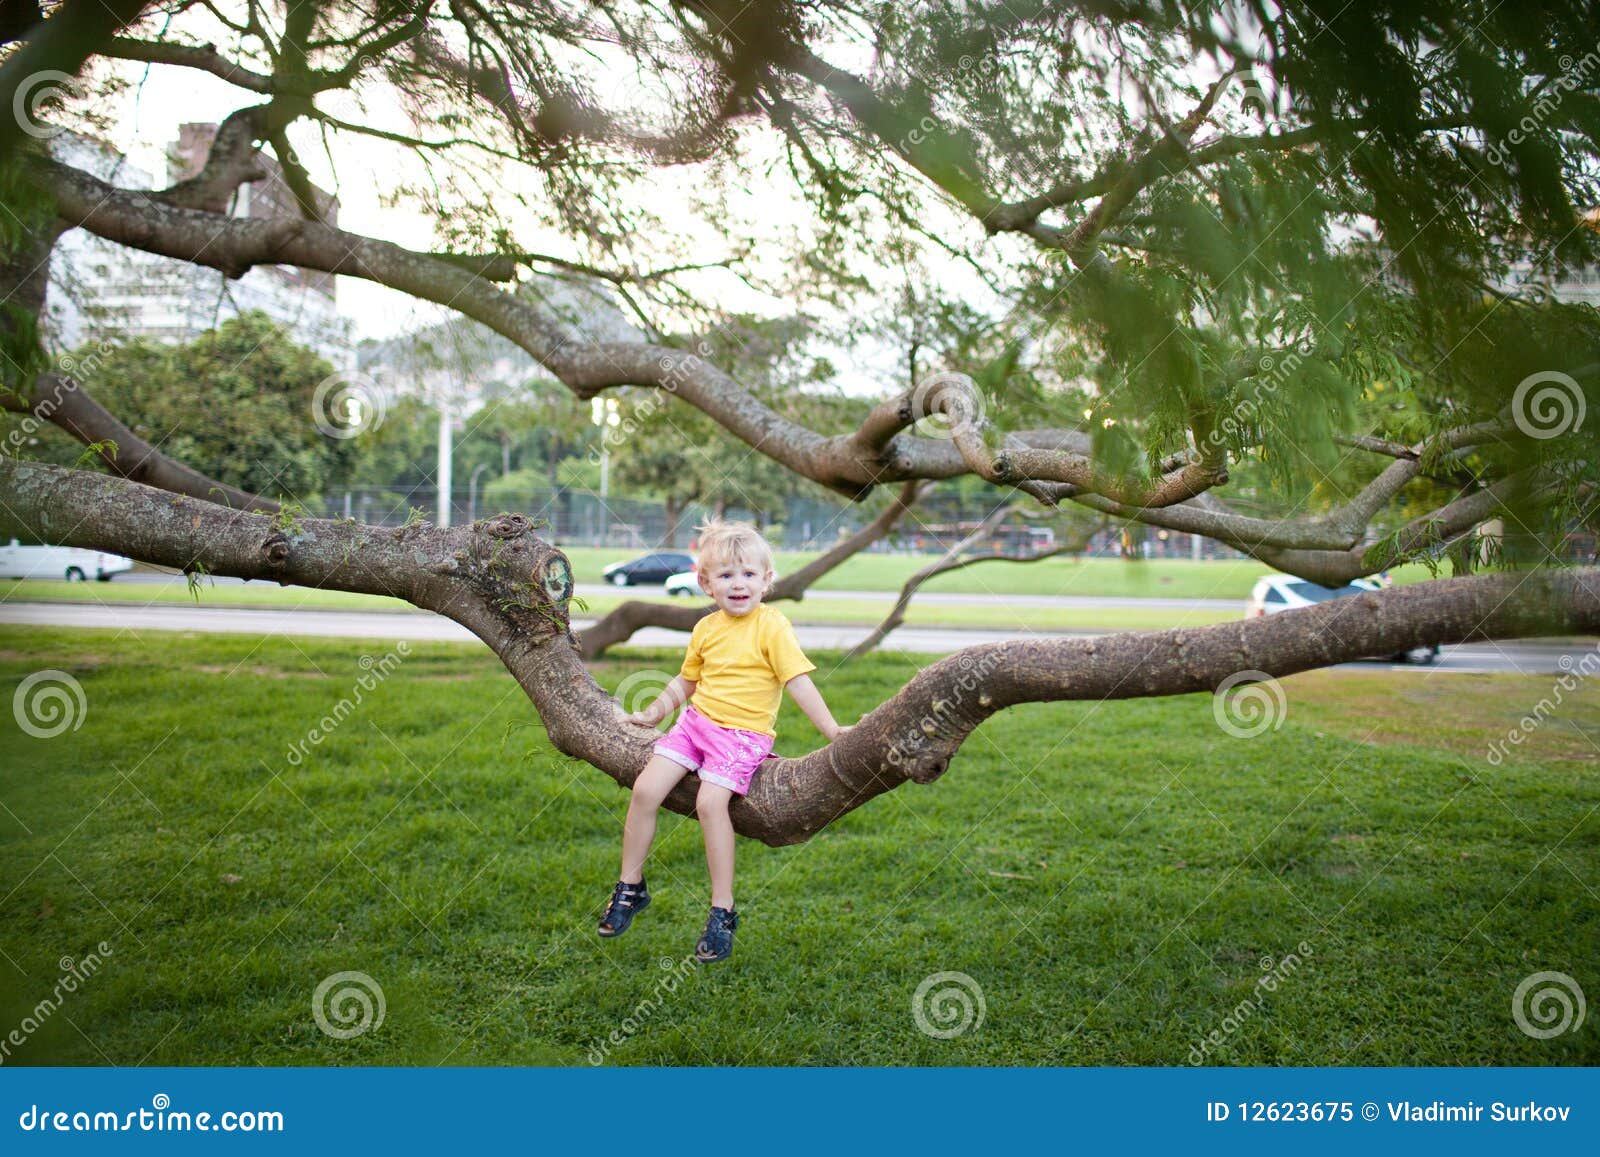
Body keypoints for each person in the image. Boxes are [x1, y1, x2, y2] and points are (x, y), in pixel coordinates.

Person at [598, 519, 851, 962]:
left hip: (741, 737)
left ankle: (722, 910)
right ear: (705, 583)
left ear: (767, 581)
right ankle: (630, 887)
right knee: (645, 790)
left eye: (749, 574)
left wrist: (832, 730)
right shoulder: (706, 628)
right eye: (726, 575)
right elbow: (687, 680)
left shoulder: (771, 626)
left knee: (710, 803)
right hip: (696, 726)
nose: (739, 584)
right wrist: (656, 711)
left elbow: (798, 682)